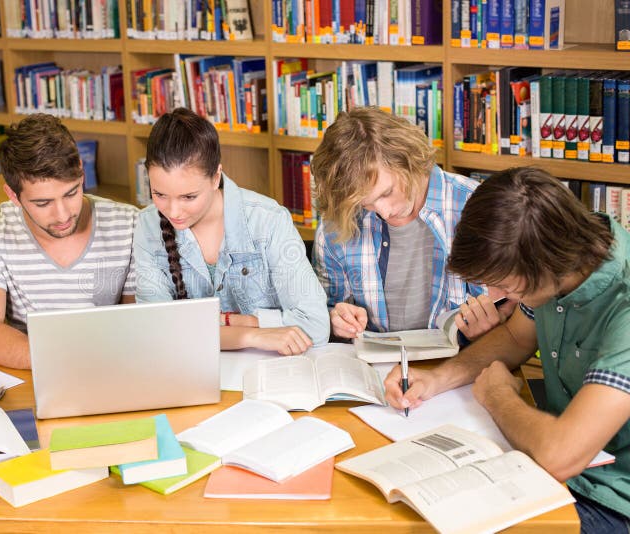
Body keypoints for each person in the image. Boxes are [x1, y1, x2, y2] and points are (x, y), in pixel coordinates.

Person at [385, 166, 630, 533]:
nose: (495, 296)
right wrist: (436, 379)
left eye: (504, 286)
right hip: (547, 466)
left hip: (609, 499)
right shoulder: (565, 254)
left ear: (547, 265)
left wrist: (498, 395)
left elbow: (561, 456)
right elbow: (516, 338)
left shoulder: (623, 310)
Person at [133, 108, 330, 355]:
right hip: (192, 371)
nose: (173, 211)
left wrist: (223, 323)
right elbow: (155, 329)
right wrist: (251, 333)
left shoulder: (267, 220)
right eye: (159, 194)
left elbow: (315, 325)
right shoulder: (148, 225)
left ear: (216, 177)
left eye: (189, 196)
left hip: (270, 373)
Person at [311, 107, 512, 341]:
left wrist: (494, 326)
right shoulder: (339, 221)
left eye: (387, 193)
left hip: (461, 361)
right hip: (370, 366)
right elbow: (322, 308)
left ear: (406, 160)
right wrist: (335, 319)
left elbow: (513, 308)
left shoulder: (475, 205)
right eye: (367, 204)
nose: (384, 212)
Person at [0, 114, 138, 369]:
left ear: (81, 170)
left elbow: (138, 321)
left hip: (114, 366)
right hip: (36, 372)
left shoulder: (130, 225)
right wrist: (64, 361)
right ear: (13, 195)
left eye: (71, 193)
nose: (62, 215)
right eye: (43, 203)